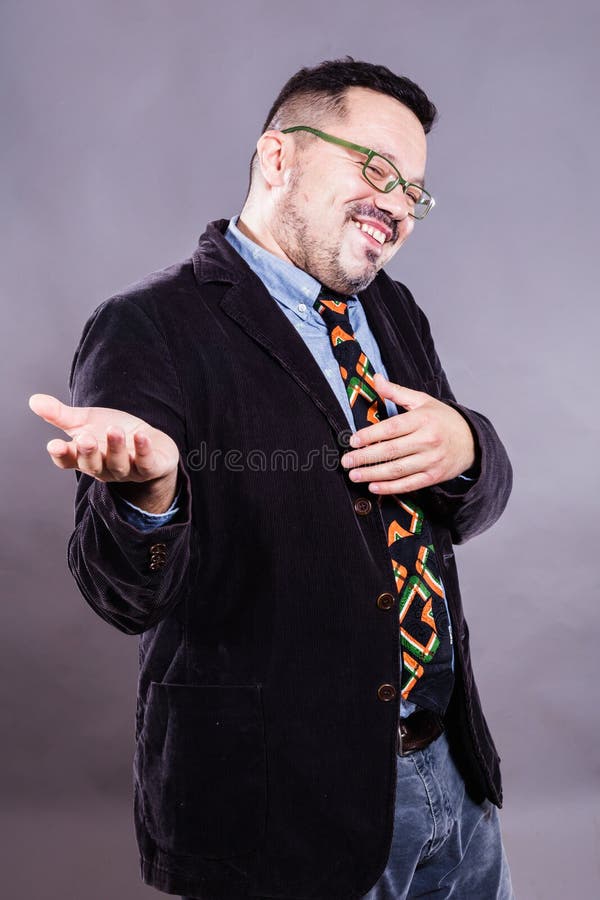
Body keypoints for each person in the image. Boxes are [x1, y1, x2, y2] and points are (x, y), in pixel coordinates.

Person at [29, 58, 514, 899]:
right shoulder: (147, 325)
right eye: (375, 169)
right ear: (277, 156)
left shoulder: (393, 311)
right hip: (283, 809)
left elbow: (458, 510)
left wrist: (469, 445)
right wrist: (149, 497)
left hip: (454, 779)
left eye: (413, 191)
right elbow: (121, 596)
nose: (397, 205)